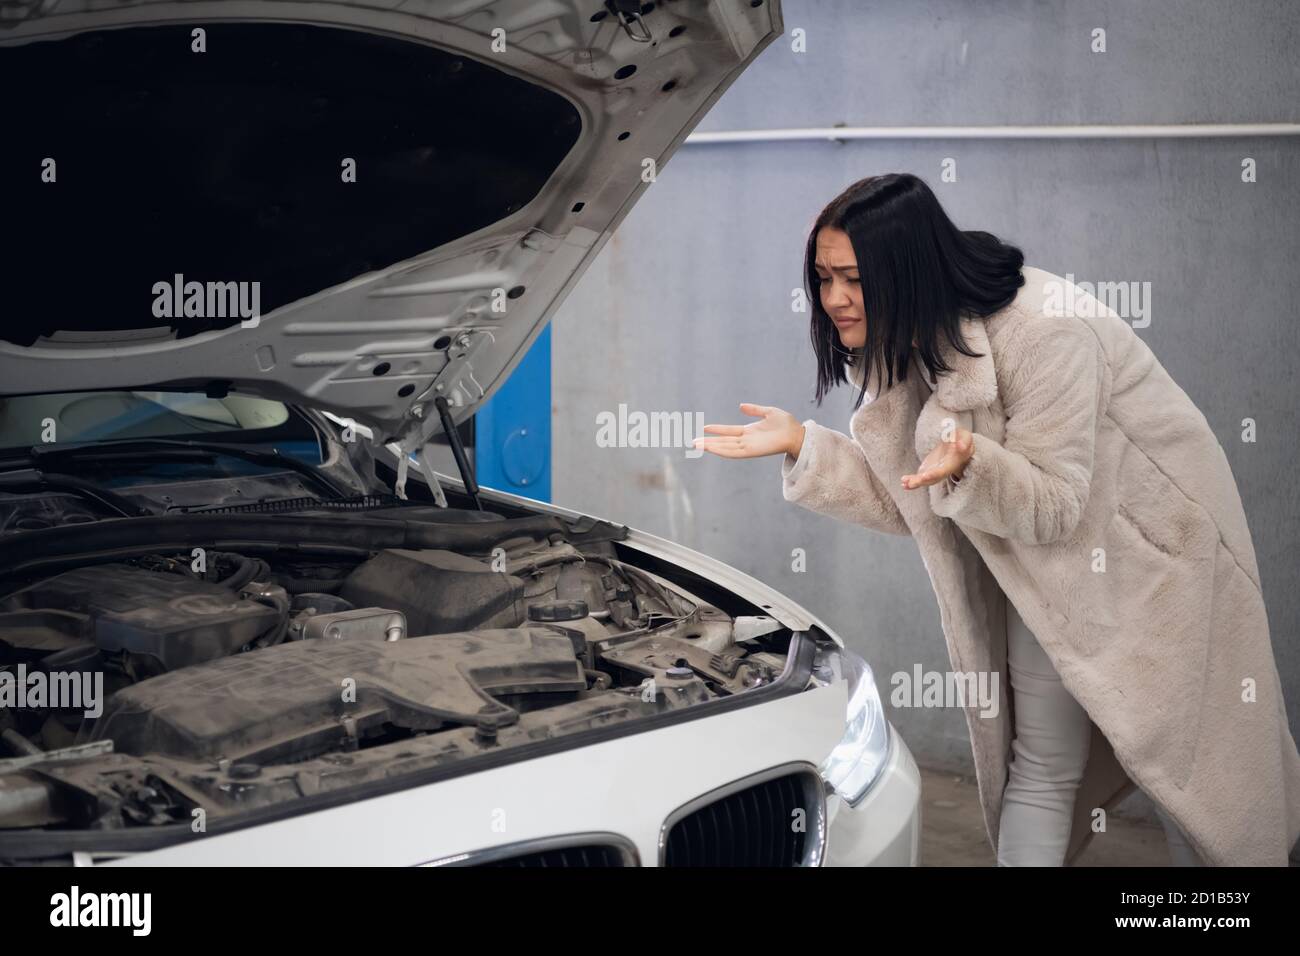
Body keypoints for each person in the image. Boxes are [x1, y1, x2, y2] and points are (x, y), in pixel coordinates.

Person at [693, 173, 1300, 866]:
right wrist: (806, 445)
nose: (833, 299)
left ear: (906, 268)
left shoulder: (1049, 329)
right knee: (1042, 764)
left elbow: (1057, 503)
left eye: (853, 278)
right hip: (1040, 571)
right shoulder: (909, 335)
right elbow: (914, 499)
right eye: (824, 277)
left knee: (1191, 785)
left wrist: (972, 466)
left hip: (1154, 565)